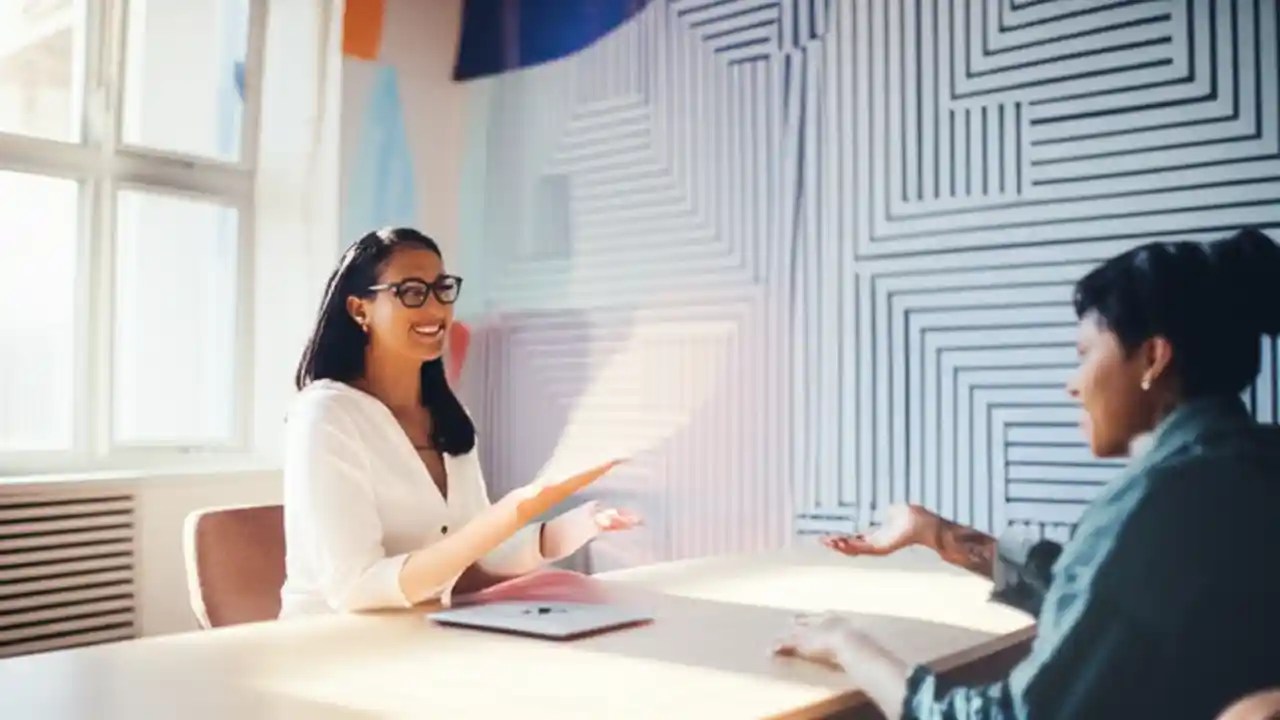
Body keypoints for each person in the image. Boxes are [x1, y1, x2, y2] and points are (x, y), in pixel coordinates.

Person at [775, 228, 1280, 719]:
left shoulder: (1157, 504)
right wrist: (938, 534)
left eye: (1084, 355)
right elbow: (1107, 599)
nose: (1072, 385)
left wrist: (848, 644)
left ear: (1152, 357)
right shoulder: (1251, 466)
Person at [279, 227, 640, 617]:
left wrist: (567, 529)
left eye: (441, 289)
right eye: (412, 292)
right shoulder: (326, 416)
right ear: (359, 309)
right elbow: (355, 590)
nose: (435, 309)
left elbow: (474, 556)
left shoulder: (447, 416)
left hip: (427, 637)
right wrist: (518, 507)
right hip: (330, 650)